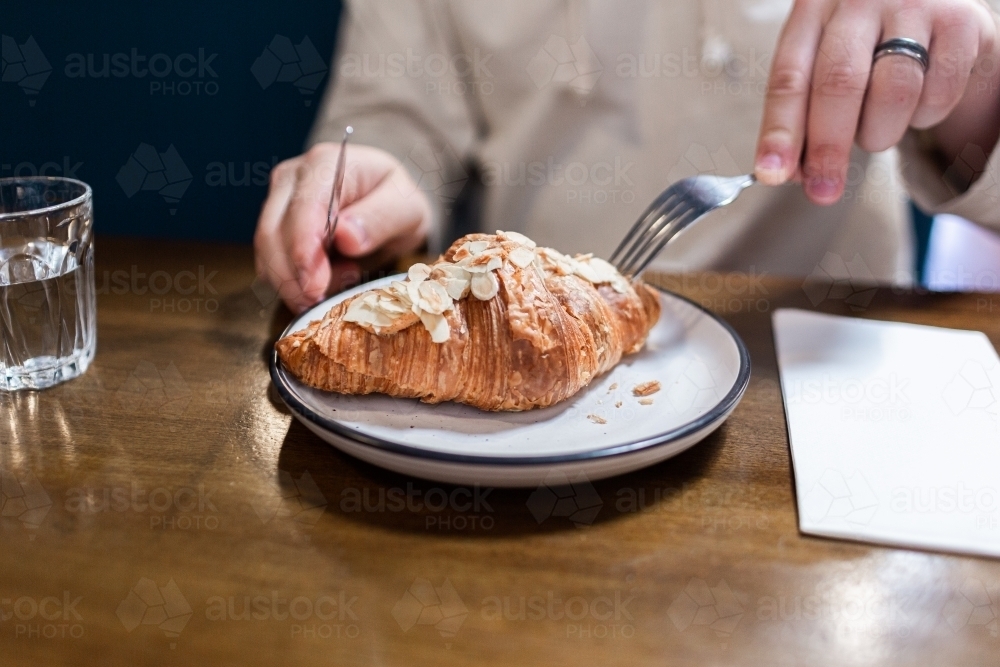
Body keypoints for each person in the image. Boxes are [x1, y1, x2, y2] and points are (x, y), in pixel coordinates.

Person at [255, 0, 1000, 314]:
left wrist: (972, 85)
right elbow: (396, 120)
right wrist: (379, 190)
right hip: (547, 414)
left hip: (824, 390)